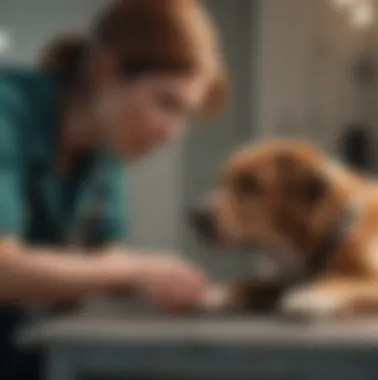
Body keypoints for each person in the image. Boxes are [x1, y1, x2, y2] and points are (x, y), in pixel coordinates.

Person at [0, 0, 227, 378]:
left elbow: (100, 267)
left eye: (184, 115)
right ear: (107, 70)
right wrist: (132, 271)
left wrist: (169, 283)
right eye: (166, 103)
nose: (171, 134)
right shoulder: (7, 112)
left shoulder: (105, 156)